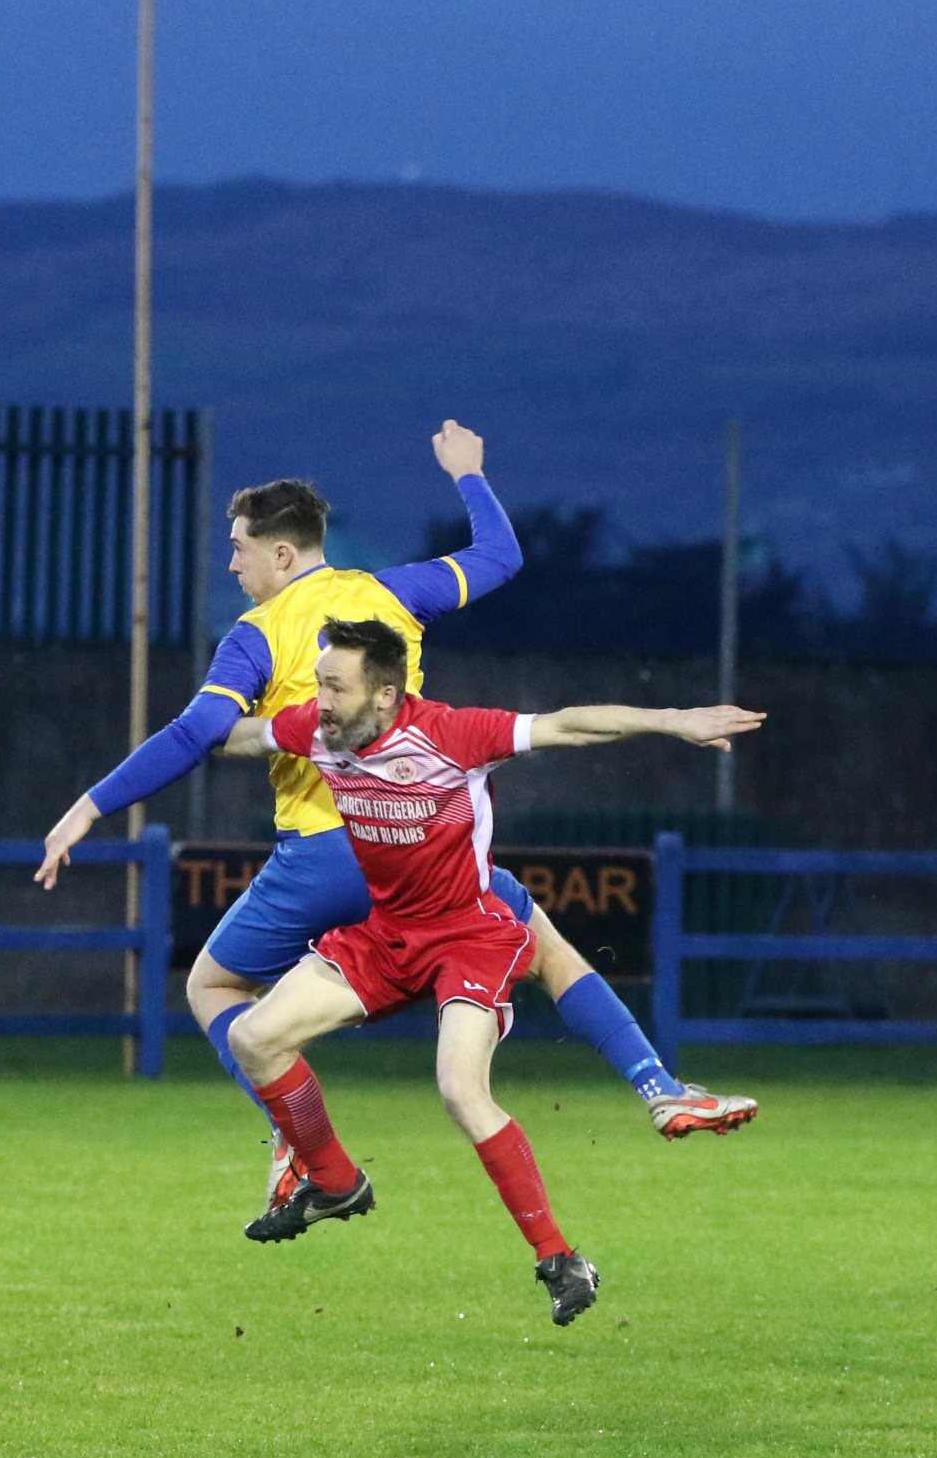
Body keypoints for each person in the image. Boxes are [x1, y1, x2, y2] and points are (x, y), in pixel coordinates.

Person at [37, 422, 753, 1211]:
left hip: (320, 857)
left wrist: (88, 805)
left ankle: (294, 1136)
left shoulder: (254, 637)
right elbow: (502, 558)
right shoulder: (388, 596)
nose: (232, 561)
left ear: (283, 553)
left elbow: (191, 736)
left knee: (213, 985)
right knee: (544, 944)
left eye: (240, 547)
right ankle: (658, 1087)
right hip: (416, 850)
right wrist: (470, 474)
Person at [218, 618, 765, 1324]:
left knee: (459, 1088)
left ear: (385, 695)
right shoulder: (318, 729)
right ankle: (333, 1181)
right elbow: (237, 736)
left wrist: (670, 719)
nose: (319, 698)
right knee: (254, 1038)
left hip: (467, 935)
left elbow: (571, 725)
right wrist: (195, 728)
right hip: (384, 936)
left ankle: (560, 1258)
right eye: (319, 683)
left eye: (335, 685)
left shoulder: (449, 733)